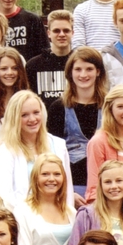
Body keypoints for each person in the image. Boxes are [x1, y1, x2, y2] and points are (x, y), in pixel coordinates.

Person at [0, 91, 74, 209]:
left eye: (36, 112)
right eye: (24, 115)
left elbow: (68, 190)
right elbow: (3, 196)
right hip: (22, 221)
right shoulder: (6, 151)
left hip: (58, 217)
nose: (32, 119)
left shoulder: (58, 145)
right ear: (14, 118)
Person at [46, 46, 106, 200]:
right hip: (72, 186)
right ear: (70, 73)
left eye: (89, 69)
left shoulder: (109, 105)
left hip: (106, 185)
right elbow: (51, 153)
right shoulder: (58, 107)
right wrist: (67, 193)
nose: (83, 74)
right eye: (78, 69)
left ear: (98, 71)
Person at [25, 9, 74, 110]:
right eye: (56, 31)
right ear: (48, 33)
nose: (61, 34)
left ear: (73, 33)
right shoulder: (33, 66)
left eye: (66, 30)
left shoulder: (80, 63)